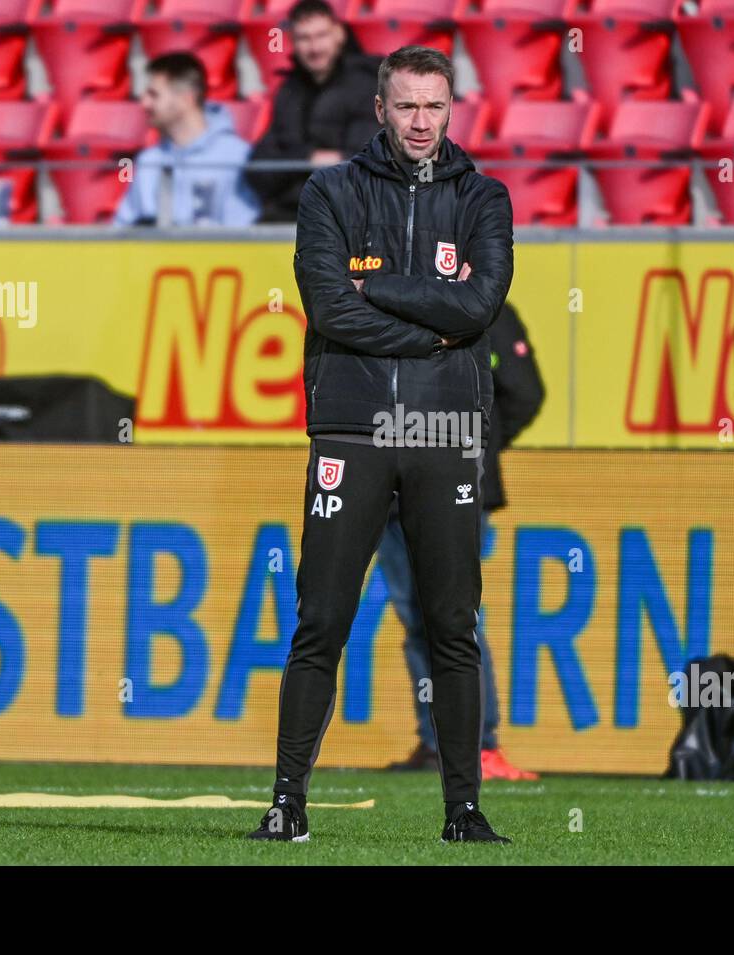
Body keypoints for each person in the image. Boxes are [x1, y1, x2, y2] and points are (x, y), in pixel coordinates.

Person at [247, 45, 515, 843]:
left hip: (442, 430)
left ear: (451, 107)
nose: (421, 122)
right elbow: (329, 309)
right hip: (352, 427)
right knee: (321, 618)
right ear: (381, 109)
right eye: (407, 106)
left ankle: (463, 811)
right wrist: (431, 328)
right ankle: (288, 801)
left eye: (434, 106)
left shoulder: (484, 197)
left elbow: (480, 306)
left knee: (453, 624)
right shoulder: (329, 190)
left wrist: (389, 292)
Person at [381, 302, 545, 781]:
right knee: (424, 620)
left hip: (437, 483)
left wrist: (472, 444)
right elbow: (525, 393)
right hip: (391, 489)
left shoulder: (480, 308)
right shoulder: (467, 301)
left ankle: (477, 743)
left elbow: (524, 392)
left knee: (452, 618)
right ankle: (439, 742)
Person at [244, 0, 382, 222]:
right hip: (290, 213)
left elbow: (365, 164)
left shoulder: (368, 85)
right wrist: (309, 158)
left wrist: (298, 162)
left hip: (351, 215)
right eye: (304, 38)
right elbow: (259, 169)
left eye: (321, 35)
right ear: (292, 42)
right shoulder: (288, 92)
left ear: (339, 34)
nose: (314, 47)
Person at [113, 52, 260, 227]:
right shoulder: (148, 161)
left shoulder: (237, 157)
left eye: (154, 94)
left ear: (186, 99)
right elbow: (122, 231)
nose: (144, 103)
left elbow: (243, 235)